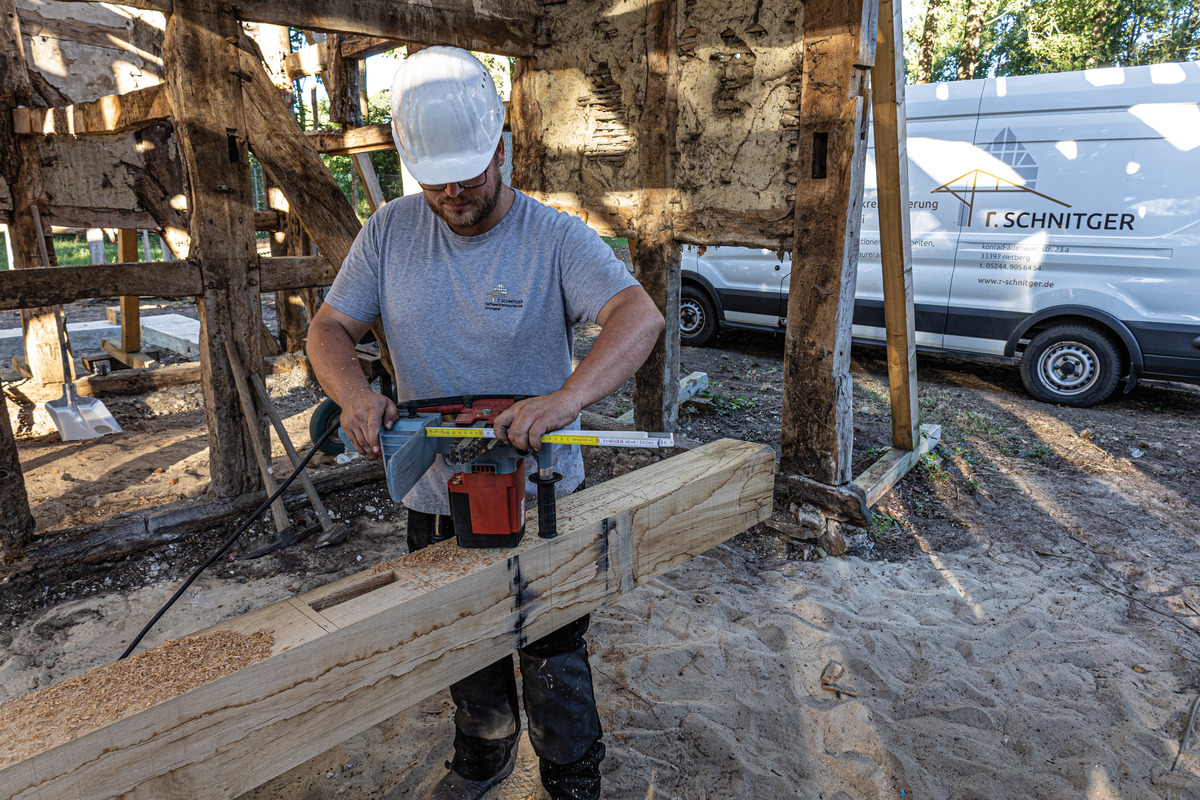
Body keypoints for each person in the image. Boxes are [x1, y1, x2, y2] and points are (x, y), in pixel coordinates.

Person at [306, 46, 664, 800]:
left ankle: (571, 775)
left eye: (467, 176)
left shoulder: (554, 237)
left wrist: (564, 400)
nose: (451, 193)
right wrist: (355, 395)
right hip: (434, 490)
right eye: (434, 180)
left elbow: (639, 317)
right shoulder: (388, 232)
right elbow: (329, 328)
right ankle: (483, 756)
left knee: (553, 645)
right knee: (461, 636)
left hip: (539, 494)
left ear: (500, 148)